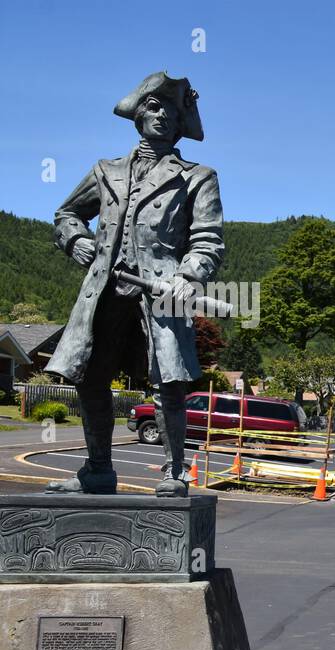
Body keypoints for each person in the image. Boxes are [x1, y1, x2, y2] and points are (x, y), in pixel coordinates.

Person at [44, 72, 222, 497]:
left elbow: (208, 239)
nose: (163, 116)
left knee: (169, 382)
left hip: (162, 291)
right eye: (155, 106)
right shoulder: (106, 171)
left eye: (173, 111)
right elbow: (66, 214)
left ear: (182, 123)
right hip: (105, 288)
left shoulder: (197, 176)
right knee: (90, 377)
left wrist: (188, 274)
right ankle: (98, 470)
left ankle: (174, 471)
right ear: (139, 113)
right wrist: (76, 240)